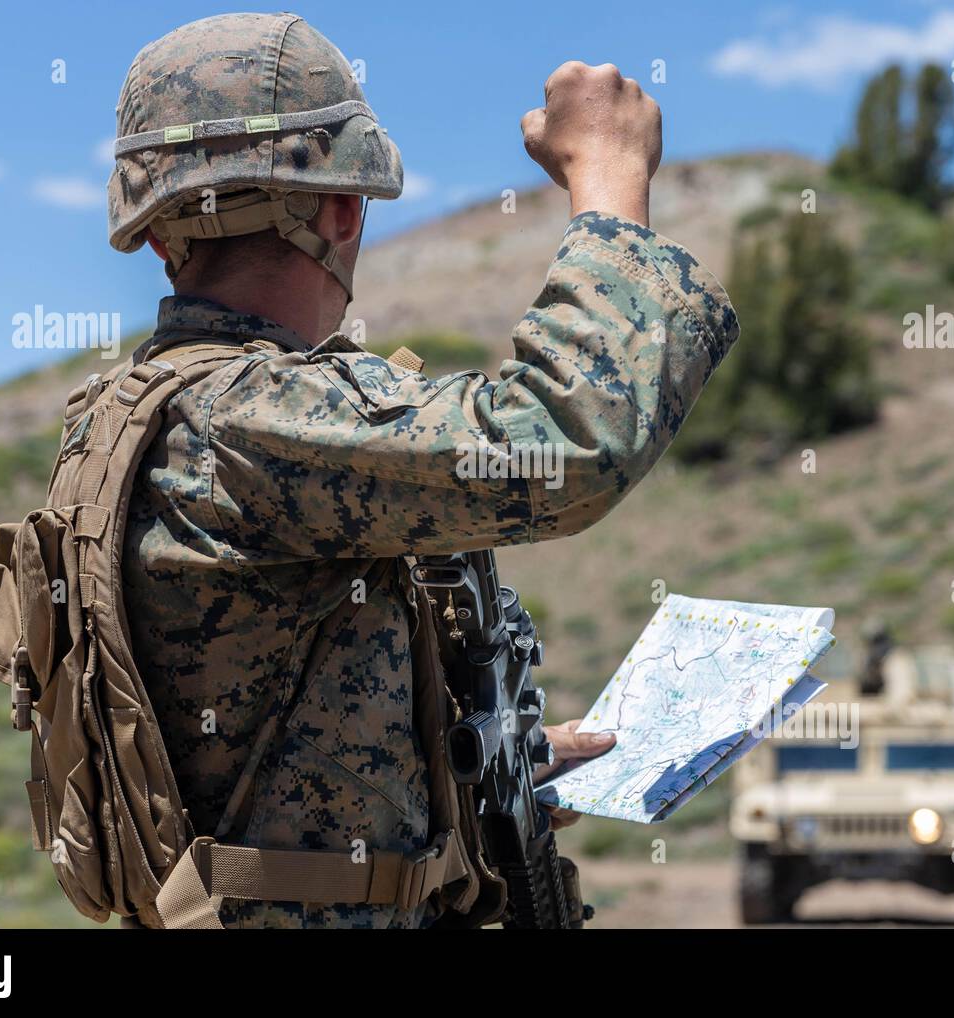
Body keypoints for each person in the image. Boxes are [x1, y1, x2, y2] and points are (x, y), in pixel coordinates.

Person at [108, 12, 738, 927]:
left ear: (160, 235)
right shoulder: (248, 421)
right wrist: (608, 181)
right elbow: (569, 437)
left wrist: (468, 775)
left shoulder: (141, 419)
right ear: (341, 206)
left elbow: (269, 752)